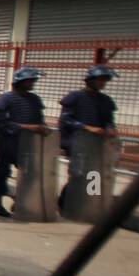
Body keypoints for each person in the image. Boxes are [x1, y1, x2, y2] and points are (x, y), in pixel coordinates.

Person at [58, 64, 118, 211]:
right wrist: (87, 128)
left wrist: (110, 128)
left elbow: (109, 120)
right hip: (78, 142)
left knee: (95, 174)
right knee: (78, 174)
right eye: (100, 80)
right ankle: (64, 203)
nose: (102, 83)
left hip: (98, 143)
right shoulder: (75, 97)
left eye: (104, 80)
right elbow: (66, 119)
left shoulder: (105, 100)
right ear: (90, 80)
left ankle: (90, 206)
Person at [0, 66, 49, 217]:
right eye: (29, 80)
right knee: (2, 174)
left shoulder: (34, 100)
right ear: (20, 81)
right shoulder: (6, 99)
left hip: (28, 144)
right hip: (7, 143)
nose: (32, 83)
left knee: (31, 174)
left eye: (33, 80)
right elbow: (1, 123)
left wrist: (42, 127)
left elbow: (39, 119)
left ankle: (21, 202)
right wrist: (27, 127)